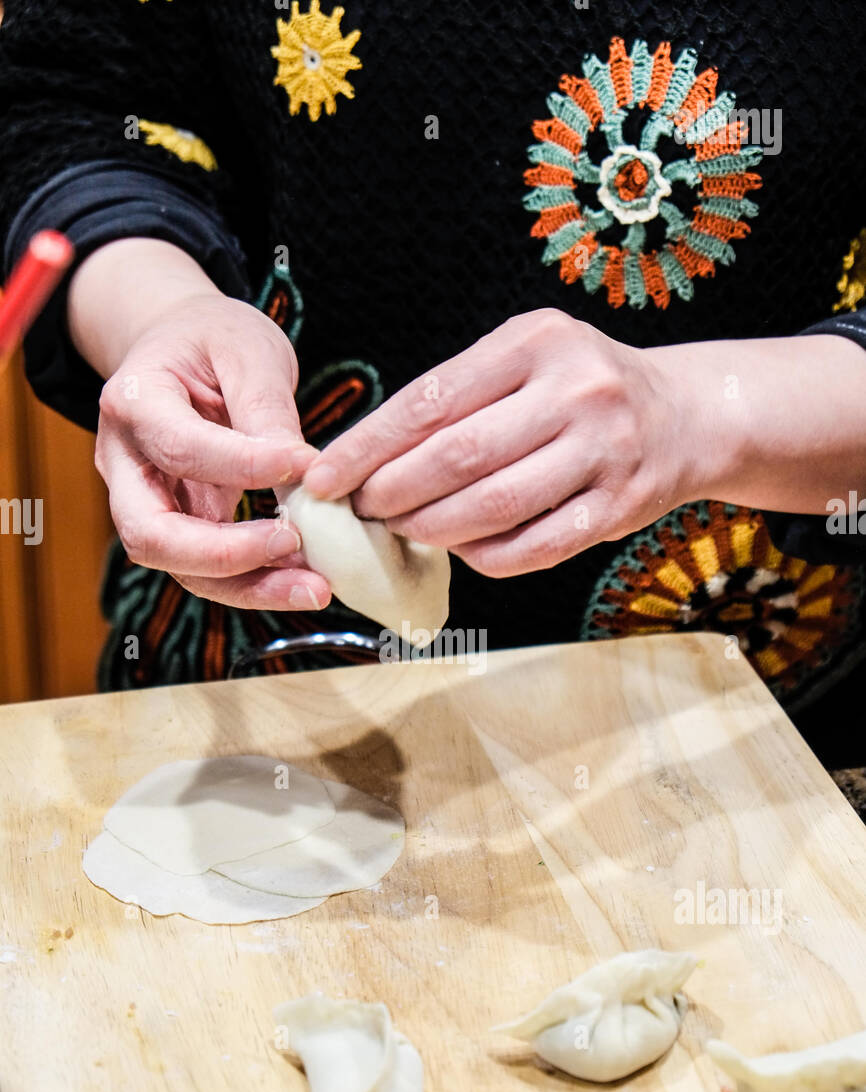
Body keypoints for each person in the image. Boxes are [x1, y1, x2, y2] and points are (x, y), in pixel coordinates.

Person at [1, 0, 865, 774]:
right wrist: (159, 315)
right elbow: (64, 103)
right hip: (256, 668)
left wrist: (709, 412)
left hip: (745, 728)